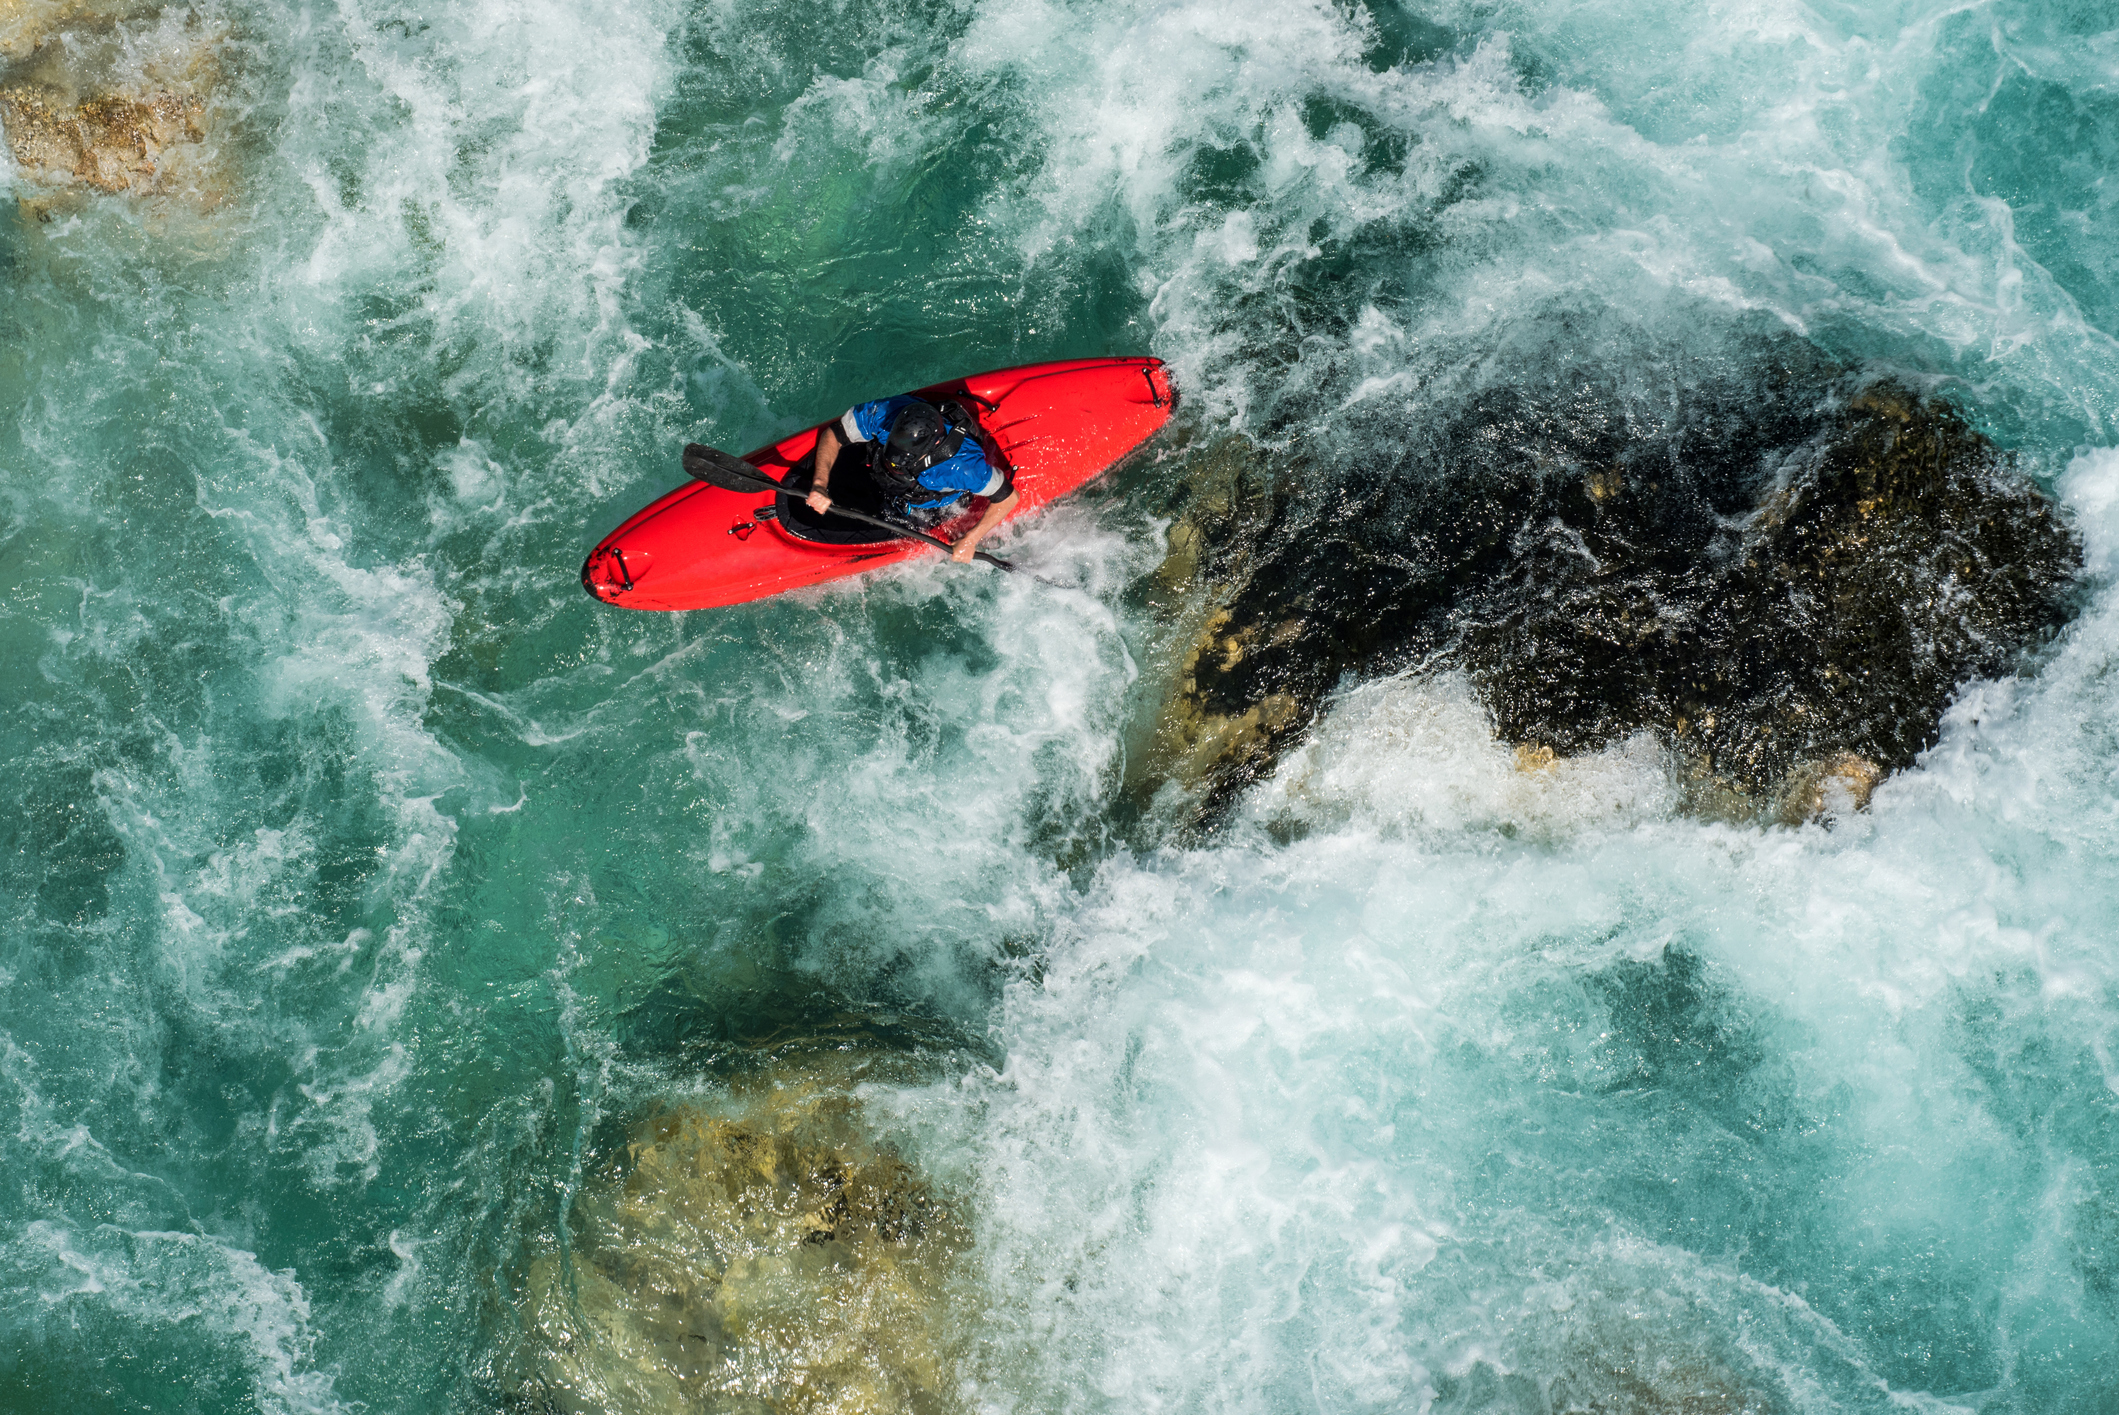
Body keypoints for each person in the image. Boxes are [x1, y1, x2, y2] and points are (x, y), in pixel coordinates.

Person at [804, 394, 1019, 562]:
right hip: (885, 477)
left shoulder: (961, 468)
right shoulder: (886, 413)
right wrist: (820, 484)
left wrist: (971, 540)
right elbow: (834, 434)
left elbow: (1009, 497)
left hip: (926, 505)